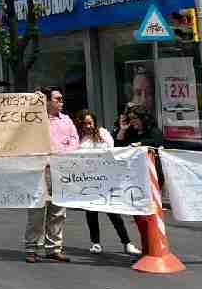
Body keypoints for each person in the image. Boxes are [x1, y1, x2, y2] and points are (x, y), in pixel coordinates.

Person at [75, 109, 141, 257]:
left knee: (113, 212)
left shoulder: (103, 133)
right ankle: (95, 243)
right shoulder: (79, 138)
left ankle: (127, 243)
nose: (88, 126)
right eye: (85, 123)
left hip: (106, 178)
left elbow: (113, 151)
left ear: (94, 122)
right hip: (89, 179)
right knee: (91, 212)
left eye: (90, 123)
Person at [25, 87, 76, 264]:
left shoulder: (67, 121)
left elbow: (74, 141)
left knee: (58, 211)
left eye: (61, 99)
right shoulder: (36, 120)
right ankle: (32, 248)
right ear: (46, 101)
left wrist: (64, 155)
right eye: (57, 99)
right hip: (41, 170)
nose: (61, 102)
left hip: (60, 169)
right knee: (37, 211)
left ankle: (54, 248)